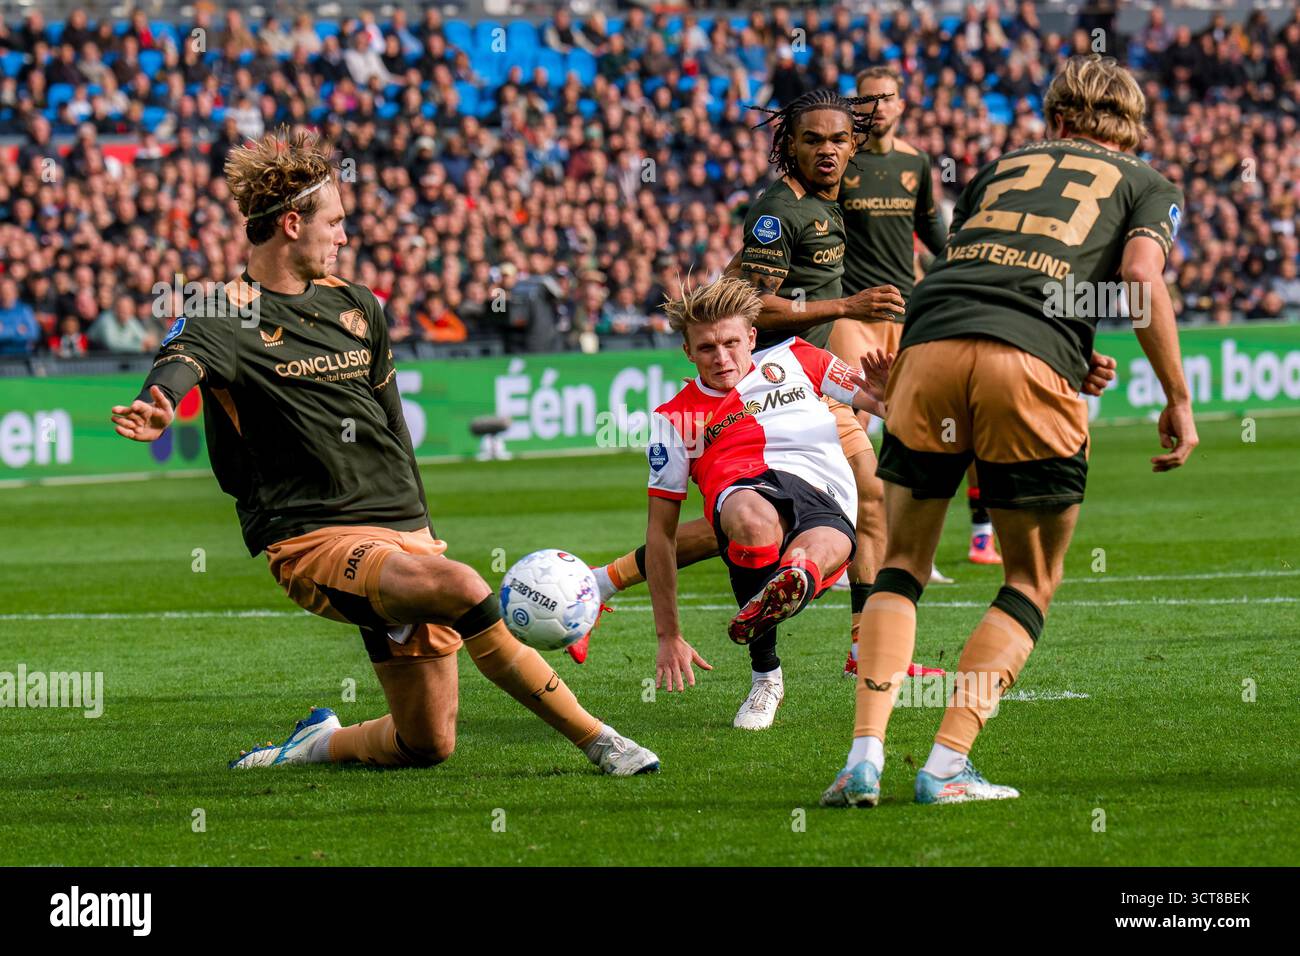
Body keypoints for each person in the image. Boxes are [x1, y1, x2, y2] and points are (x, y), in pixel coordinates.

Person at [110, 129, 658, 777]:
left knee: (425, 744)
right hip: (315, 542)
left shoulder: (358, 305)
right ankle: (600, 742)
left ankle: (313, 743)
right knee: (462, 587)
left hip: (406, 539)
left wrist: (425, 535)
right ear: (292, 224)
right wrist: (158, 402)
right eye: (335, 222)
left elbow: (393, 432)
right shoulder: (221, 314)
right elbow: (179, 361)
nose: (344, 236)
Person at [821, 55, 1197, 808]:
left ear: (1055, 119)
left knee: (901, 562)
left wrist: (1072, 341)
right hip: (1021, 365)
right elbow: (1138, 279)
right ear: (1132, 128)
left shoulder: (1002, 167)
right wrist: (1176, 396)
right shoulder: (1148, 184)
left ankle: (862, 758)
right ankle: (947, 764)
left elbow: (1001, 271)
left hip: (928, 343)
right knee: (1029, 579)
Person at [590, 89, 933, 730]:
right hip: (771, 382)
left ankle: (603, 582)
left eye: (838, 139)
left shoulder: (828, 200)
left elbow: (734, 288)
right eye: (813, 141)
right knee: (839, 503)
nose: (827, 151)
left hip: (802, 375)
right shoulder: (778, 212)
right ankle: (846, 649)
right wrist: (844, 308)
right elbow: (755, 303)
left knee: (825, 508)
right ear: (789, 146)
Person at [645, 276, 888, 717]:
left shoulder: (798, 356)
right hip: (744, 489)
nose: (721, 358)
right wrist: (668, 635)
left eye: (731, 343)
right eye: (706, 349)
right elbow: (660, 535)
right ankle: (766, 677)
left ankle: (794, 579)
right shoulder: (673, 419)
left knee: (821, 550)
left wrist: (892, 390)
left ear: (752, 337)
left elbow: (886, 405)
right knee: (753, 522)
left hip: (824, 492)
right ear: (687, 351)